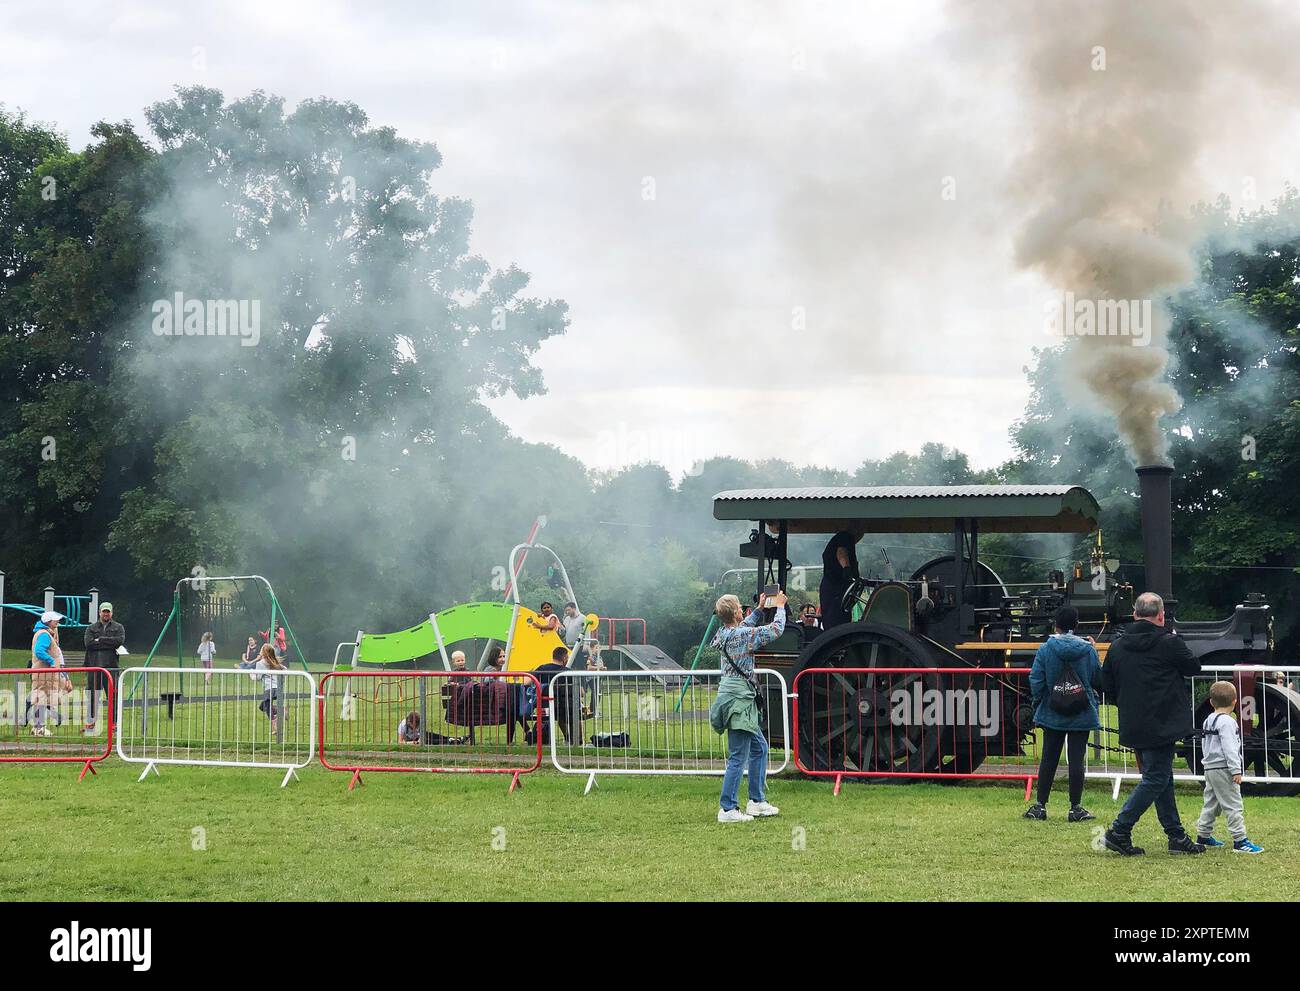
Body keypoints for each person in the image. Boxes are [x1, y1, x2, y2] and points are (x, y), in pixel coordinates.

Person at [1100, 591, 1204, 856]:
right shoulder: (1170, 642)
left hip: (1134, 720)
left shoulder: (1117, 646)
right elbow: (1193, 667)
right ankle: (1119, 830)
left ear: (1134, 614)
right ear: (1161, 615)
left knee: (1161, 777)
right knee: (1156, 777)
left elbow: (1106, 684)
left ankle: (1176, 836)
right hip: (1163, 719)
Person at [709, 591, 784, 823]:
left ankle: (757, 801)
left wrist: (760, 609)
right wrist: (779, 607)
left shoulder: (724, 633)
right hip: (740, 699)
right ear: (735, 612)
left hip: (732, 695)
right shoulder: (742, 634)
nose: (744, 610)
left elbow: (743, 627)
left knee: (759, 748)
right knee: (738, 755)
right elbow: (776, 629)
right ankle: (728, 808)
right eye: (741, 607)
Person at [1024, 606, 1101, 822]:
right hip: (1082, 710)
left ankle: (1040, 806)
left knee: (1049, 758)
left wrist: (1040, 702)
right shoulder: (1087, 650)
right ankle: (1075, 807)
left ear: (1055, 625)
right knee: (1077, 761)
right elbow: (1097, 677)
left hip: (1052, 710)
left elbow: (1036, 680)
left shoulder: (1046, 649)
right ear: (1076, 625)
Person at [1194, 682, 1263, 854]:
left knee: (1211, 802)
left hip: (1210, 768)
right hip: (1224, 768)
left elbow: (1205, 743)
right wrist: (1236, 770)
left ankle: (1203, 835)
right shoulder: (1228, 723)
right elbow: (1230, 748)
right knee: (1233, 804)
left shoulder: (1208, 720)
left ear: (1211, 702)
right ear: (1234, 702)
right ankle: (1240, 840)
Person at [83, 601, 124, 734]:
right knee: (93, 695)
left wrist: (99, 640)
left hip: (111, 667)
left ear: (112, 613)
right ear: (99, 612)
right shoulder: (91, 628)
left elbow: (119, 641)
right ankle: (91, 721)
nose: (106, 614)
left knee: (113, 696)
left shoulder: (119, 627)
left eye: (108, 611)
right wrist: (108, 642)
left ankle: (114, 723)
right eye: (103, 611)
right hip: (94, 667)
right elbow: (88, 644)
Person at [30, 611, 72, 737]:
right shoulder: (44, 634)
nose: (58, 622)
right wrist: (52, 661)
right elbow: (39, 651)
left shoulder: (47, 633)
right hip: (44, 674)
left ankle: (39, 727)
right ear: (48, 621)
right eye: (55, 620)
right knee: (40, 699)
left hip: (47, 674)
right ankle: (38, 728)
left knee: (43, 699)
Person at [534, 645, 582, 744]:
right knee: (576, 714)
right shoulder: (568, 672)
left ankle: (568, 737)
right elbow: (581, 693)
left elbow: (526, 681)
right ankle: (577, 740)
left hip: (547, 706)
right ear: (564, 658)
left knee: (559, 715)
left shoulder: (542, 668)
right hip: (567, 706)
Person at [819, 531, 860, 629]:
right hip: (836, 592)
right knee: (836, 621)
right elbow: (841, 552)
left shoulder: (842, 539)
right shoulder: (845, 537)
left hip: (837, 591)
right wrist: (847, 569)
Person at [255, 644, 284, 736]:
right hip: (277, 687)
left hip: (269, 688)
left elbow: (258, 677)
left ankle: (276, 727)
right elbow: (285, 670)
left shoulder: (260, 663)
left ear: (263, 652)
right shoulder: (275, 661)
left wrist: (251, 675)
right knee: (262, 707)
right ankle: (281, 710)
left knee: (267, 708)